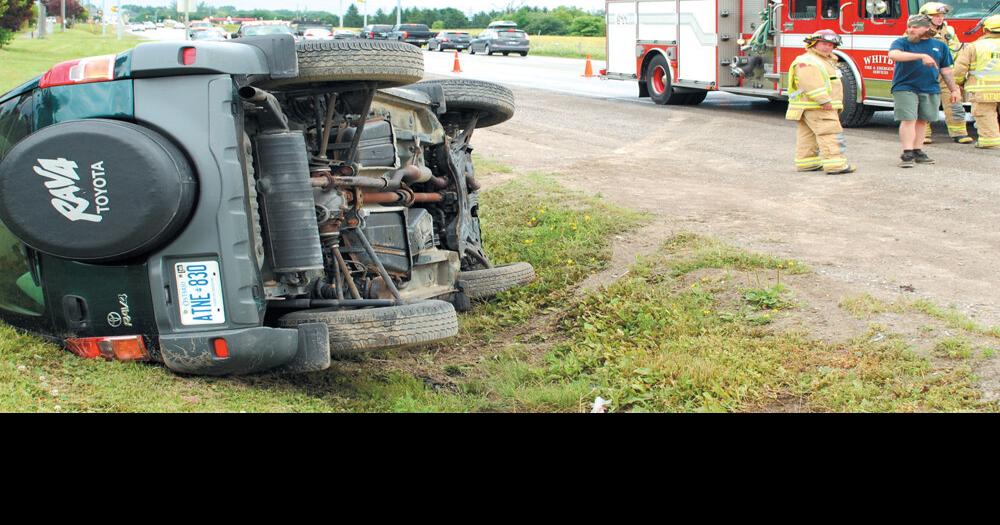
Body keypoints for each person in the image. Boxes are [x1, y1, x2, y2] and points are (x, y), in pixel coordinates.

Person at [888, 14, 962, 168]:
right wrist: (921, 56)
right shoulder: (901, 42)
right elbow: (894, 55)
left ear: (927, 28)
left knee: (922, 120)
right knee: (908, 119)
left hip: (930, 87)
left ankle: (917, 150)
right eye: (909, 27)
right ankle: (907, 153)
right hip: (905, 87)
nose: (910, 30)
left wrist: (954, 90)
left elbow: (946, 70)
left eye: (915, 27)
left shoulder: (940, 46)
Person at [786, 29, 855, 175]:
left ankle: (807, 163)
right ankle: (836, 165)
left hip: (810, 106)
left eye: (830, 45)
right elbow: (811, 84)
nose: (827, 47)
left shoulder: (823, 61)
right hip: (818, 107)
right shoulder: (809, 61)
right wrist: (824, 101)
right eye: (823, 44)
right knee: (830, 134)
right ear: (813, 44)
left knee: (808, 136)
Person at [918, 2, 974, 144]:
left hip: (946, 72)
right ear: (925, 17)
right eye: (936, 15)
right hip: (925, 73)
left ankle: (959, 133)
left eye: (942, 15)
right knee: (925, 102)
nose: (940, 18)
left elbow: (957, 50)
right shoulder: (916, 30)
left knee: (954, 101)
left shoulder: (949, 31)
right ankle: (923, 134)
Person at [952, 15, 1000, 149]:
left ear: (986, 30)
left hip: (983, 90)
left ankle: (990, 141)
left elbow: (959, 69)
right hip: (984, 89)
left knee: (985, 115)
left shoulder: (974, 46)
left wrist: (958, 83)